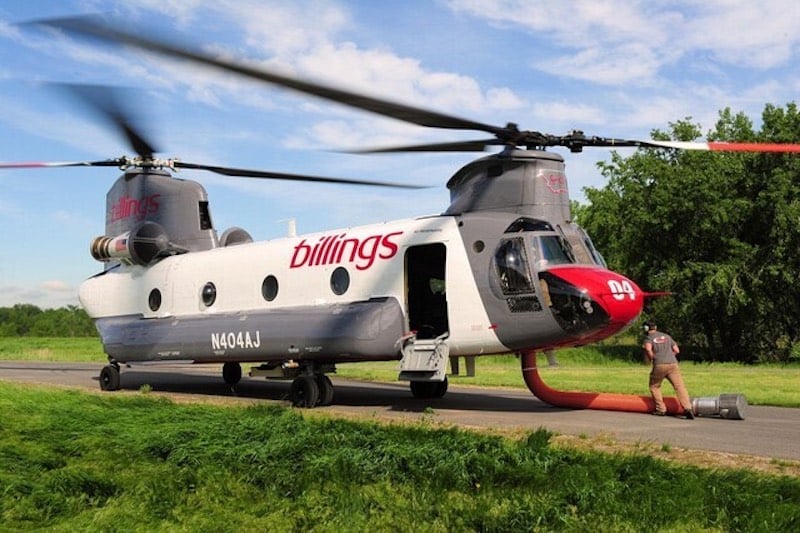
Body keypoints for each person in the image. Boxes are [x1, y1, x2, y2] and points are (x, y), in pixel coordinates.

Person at [642, 321, 694, 419]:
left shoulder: (649, 338)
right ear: (655, 327)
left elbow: (648, 349)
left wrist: (653, 358)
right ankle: (688, 408)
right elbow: (677, 350)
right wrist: (669, 356)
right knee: (679, 386)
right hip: (673, 364)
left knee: (654, 386)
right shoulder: (667, 336)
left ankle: (661, 409)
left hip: (659, 365)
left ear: (646, 328)